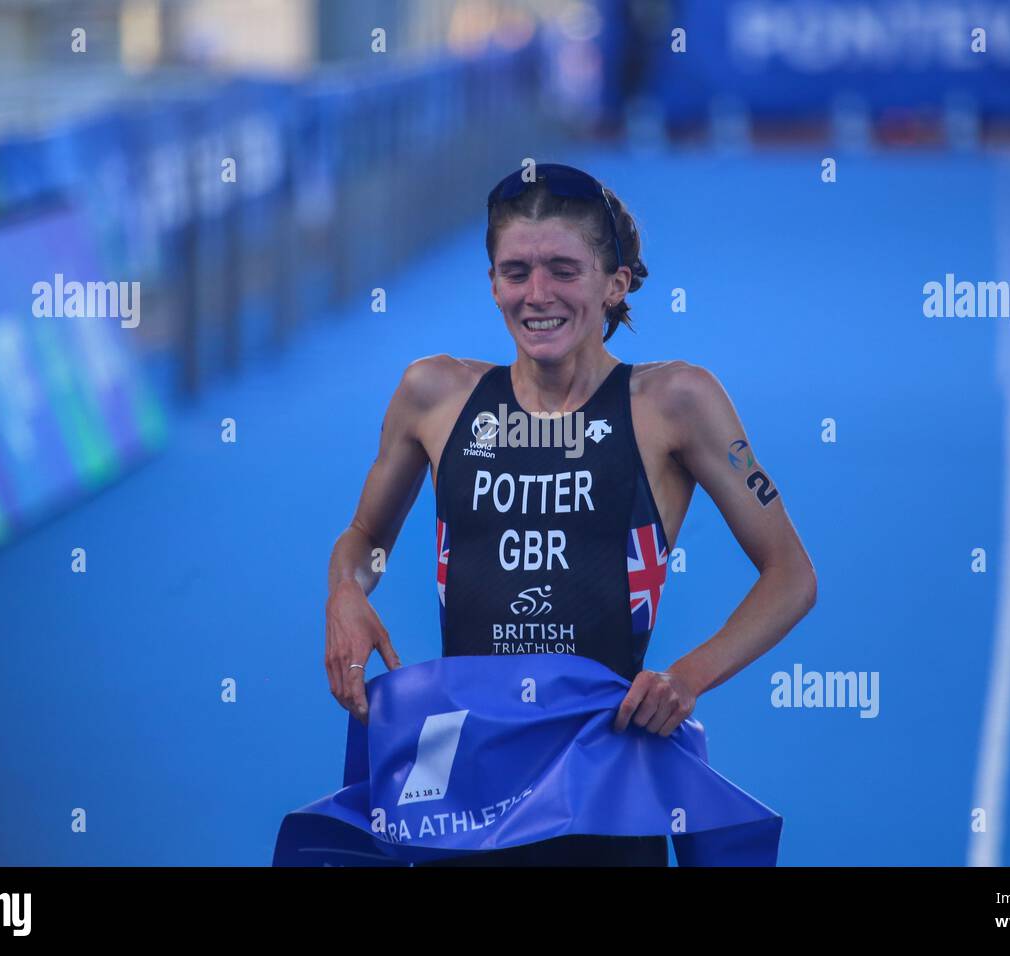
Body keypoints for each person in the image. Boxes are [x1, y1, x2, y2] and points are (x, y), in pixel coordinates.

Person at [323, 163, 817, 867]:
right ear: (491, 283)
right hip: (459, 771)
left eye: (563, 269)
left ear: (615, 282)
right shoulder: (433, 396)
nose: (538, 295)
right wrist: (348, 589)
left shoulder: (674, 402)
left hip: (601, 773)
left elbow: (791, 575)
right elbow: (366, 539)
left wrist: (687, 678)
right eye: (516, 271)